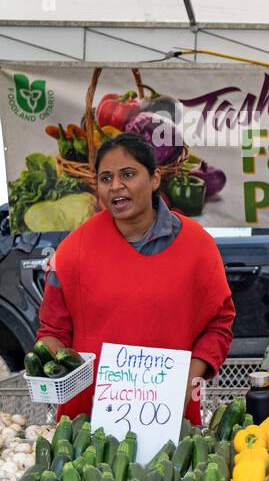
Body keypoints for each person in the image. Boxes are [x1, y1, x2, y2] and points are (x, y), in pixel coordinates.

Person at [35, 132, 235, 425]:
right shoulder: (72, 251)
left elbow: (219, 324)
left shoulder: (199, 247)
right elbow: (52, 330)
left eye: (127, 174)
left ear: (154, 179)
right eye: (105, 178)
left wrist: (186, 382)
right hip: (86, 425)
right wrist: (53, 363)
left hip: (170, 420)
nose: (116, 186)